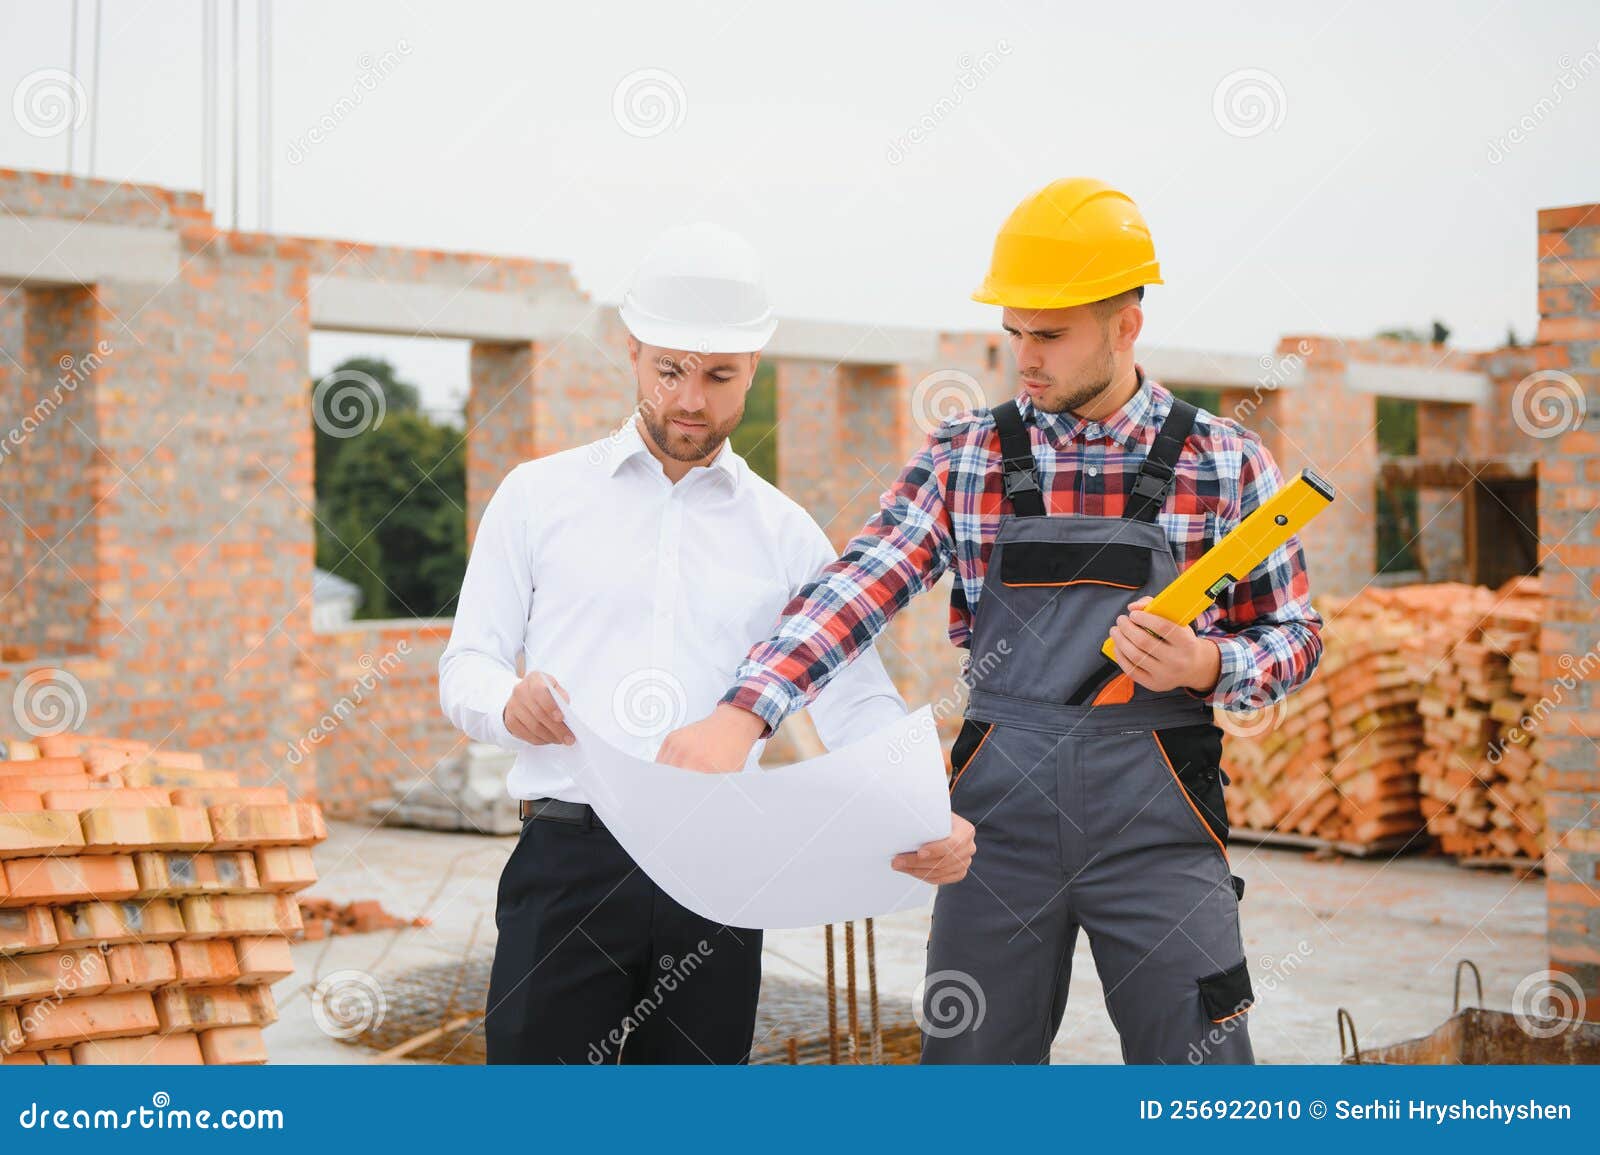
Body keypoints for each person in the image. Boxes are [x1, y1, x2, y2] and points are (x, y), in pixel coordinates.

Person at [658, 179, 1324, 1064]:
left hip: (1159, 828)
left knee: (1202, 1080)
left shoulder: (1225, 460)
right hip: (993, 833)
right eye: (1014, 333)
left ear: (1126, 327)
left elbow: (1296, 634)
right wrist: (747, 709)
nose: (1026, 358)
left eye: (1049, 335)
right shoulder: (967, 454)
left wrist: (1206, 665)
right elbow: (858, 584)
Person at [439, 222, 972, 1065]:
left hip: (722, 870)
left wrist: (923, 809)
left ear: (754, 367)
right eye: (670, 370)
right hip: (569, 859)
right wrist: (510, 703)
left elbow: (853, 694)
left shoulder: (786, 534)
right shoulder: (537, 497)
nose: (691, 399)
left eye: (719, 375)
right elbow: (464, 664)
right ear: (633, 350)